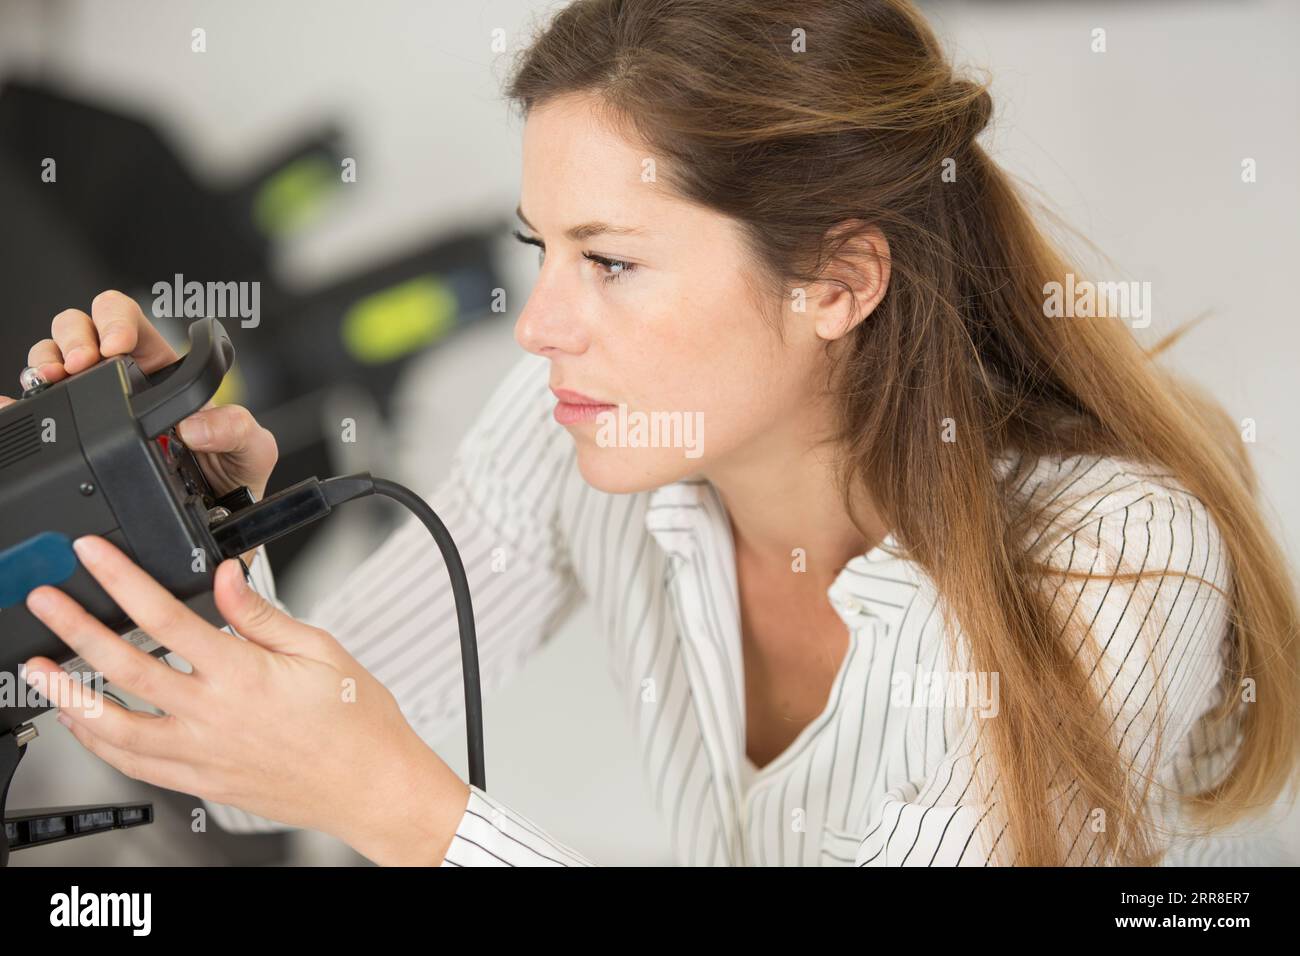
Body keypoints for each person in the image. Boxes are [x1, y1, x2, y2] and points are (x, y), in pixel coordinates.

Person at [7, 0, 1299, 866]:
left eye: (613, 262)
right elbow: (249, 776)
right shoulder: (588, 439)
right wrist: (169, 520)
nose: (540, 328)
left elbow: (357, 783)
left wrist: (411, 813)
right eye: (542, 252)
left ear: (839, 283)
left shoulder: (1120, 566)